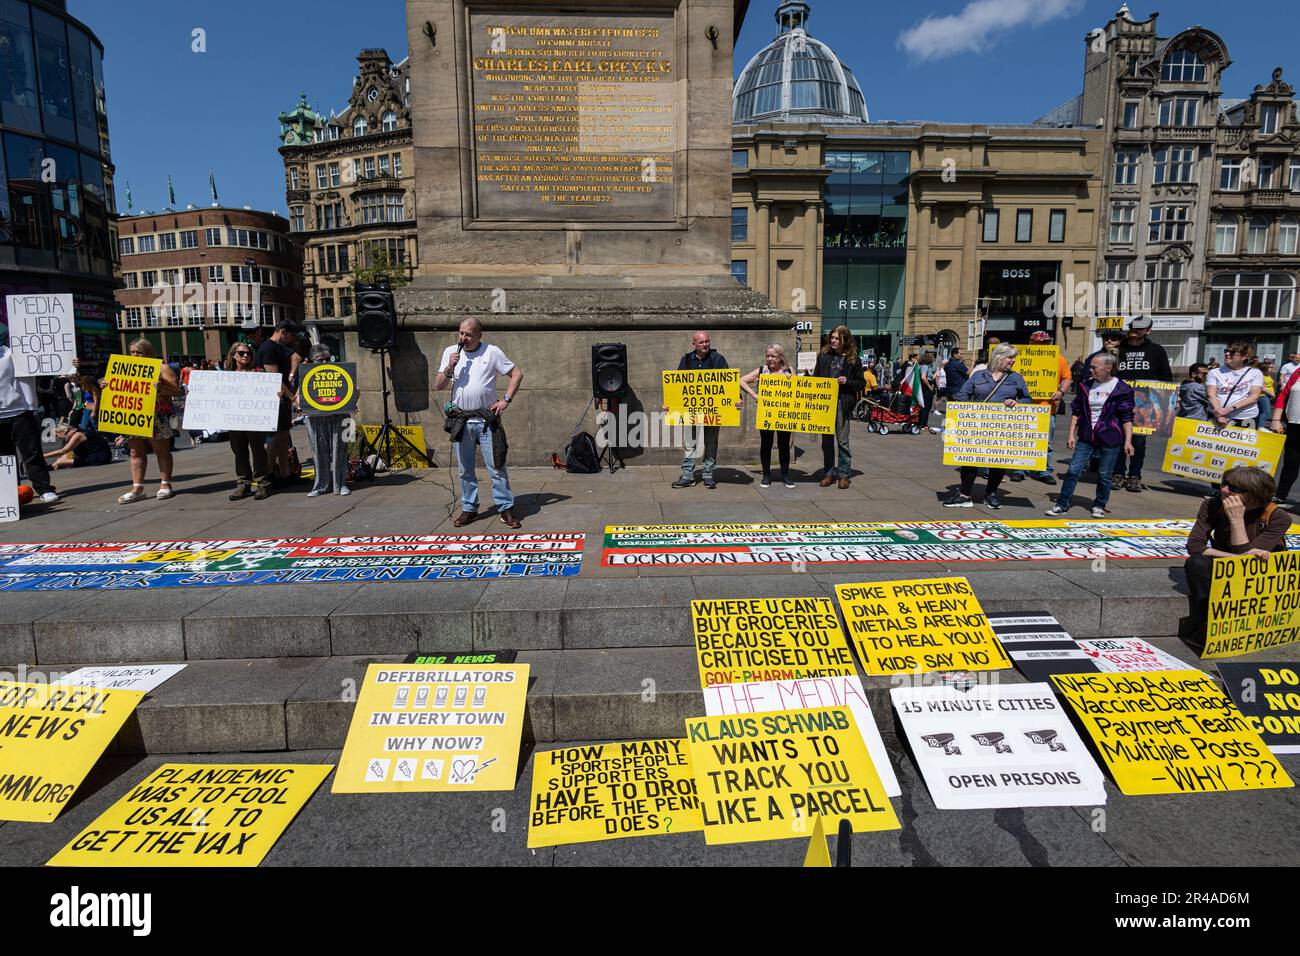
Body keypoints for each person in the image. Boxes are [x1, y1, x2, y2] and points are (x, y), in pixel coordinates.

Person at [1182, 467, 1291, 647]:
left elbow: (1247, 565)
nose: (1224, 490)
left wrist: (1236, 520)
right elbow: (1195, 546)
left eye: (1234, 489)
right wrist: (1232, 557)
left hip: (1259, 577)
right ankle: (1208, 622)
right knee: (1196, 563)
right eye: (1224, 484)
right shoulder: (1213, 505)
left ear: (1255, 495)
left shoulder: (1278, 517)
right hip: (1226, 566)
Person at [436, 318, 523, 527]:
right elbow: (439, 385)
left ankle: (505, 508)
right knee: (465, 469)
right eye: (461, 333)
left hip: (485, 419)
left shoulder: (492, 352)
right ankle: (469, 509)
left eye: (468, 334)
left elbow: (516, 374)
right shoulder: (451, 352)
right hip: (462, 420)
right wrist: (449, 368)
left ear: (479, 336)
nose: (463, 338)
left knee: (496, 466)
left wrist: (506, 400)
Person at [1045, 353, 1134, 518]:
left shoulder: (1122, 389)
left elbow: (1126, 417)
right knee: (1073, 470)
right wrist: (1071, 434)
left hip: (1110, 437)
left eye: (1094, 367)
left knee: (1104, 474)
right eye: (1090, 366)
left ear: (1108, 368)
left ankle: (1100, 504)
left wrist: (1128, 441)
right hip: (1086, 437)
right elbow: (1076, 411)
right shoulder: (1086, 386)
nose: (1090, 370)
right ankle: (1062, 503)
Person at [944, 343, 1032, 510]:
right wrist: (968, 409)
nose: (1013, 361)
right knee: (970, 460)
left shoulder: (1016, 378)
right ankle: (964, 495)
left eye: (1014, 357)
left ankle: (991, 494)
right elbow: (963, 394)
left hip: (1002, 427)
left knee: (998, 462)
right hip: (977, 426)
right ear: (999, 357)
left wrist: (1017, 402)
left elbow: (1028, 399)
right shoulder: (978, 376)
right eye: (1010, 357)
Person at [116, 339, 182, 504]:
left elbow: (177, 390)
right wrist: (107, 385)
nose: (135, 355)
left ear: (148, 352)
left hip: (158, 413)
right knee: (135, 452)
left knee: (161, 450)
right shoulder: (127, 369)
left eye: (139, 352)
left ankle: (165, 484)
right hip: (134, 413)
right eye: (132, 352)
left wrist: (161, 387)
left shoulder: (162, 368)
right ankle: (137, 488)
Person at [0, 331, 60, 504]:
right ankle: (12, 493)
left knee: (32, 453)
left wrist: (69, 363)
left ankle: (44, 489)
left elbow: (39, 359)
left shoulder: (12, 353)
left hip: (19, 410)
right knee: (5, 458)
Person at [1113, 317, 1172, 492]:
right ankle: (1117, 473)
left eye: (1139, 329)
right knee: (1117, 439)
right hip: (1118, 400)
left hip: (1145, 403)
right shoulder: (1118, 348)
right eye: (1132, 327)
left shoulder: (1156, 350)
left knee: (1138, 442)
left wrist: (1166, 401)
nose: (1134, 331)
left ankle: (1135, 475)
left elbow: (1165, 376)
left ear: (1148, 331)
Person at [669, 331, 730, 489]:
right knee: (690, 443)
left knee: (710, 443)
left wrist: (736, 400)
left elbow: (729, 384)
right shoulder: (686, 360)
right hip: (690, 410)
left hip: (713, 410)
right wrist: (670, 403)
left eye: (707, 342)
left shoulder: (718, 359)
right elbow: (676, 385)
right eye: (701, 342)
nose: (705, 345)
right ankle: (688, 475)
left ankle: (708, 474)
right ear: (694, 344)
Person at [1014, 330, 1071, 485]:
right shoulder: (1020, 358)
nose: (1041, 345)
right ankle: (1020, 469)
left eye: (1044, 342)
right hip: (1024, 406)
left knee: (1045, 441)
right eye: (1037, 342)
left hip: (1047, 407)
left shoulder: (1059, 359)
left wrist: (1061, 391)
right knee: (1022, 439)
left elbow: (1067, 378)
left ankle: (1044, 470)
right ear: (1031, 343)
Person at [221, 342, 274, 501]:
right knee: (239, 451)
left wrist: (275, 393)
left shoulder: (258, 372)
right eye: (242, 353)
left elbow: (268, 391)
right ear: (233, 355)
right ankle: (243, 483)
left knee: (258, 451)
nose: (245, 356)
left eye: (249, 353)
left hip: (254, 418)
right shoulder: (225, 375)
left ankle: (262, 483)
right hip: (234, 418)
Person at [814, 325, 865, 489]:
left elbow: (861, 383)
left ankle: (844, 475)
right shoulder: (823, 356)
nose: (833, 340)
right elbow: (815, 378)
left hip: (842, 403)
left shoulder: (853, 359)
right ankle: (829, 474)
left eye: (837, 338)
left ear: (845, 340)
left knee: (842, 442)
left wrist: (847, 381)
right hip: (825, 404)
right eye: (832, 337)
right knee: (826, 442)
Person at [740, 344, 795, 488]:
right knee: (766, 444)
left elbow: (798, 391)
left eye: (773, 356)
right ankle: (766, 475)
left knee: (784, 444)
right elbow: (741, 380)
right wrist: (754, 395)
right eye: (768, 356)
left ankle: (785, 474)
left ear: (780, 357)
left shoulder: (789, 371)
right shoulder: (762, 370)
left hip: (784, 414)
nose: (770, 359)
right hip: (766, 414)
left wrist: (791, 380)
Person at [255, 320, 301, 483]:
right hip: (273, 401)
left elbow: (296, 357)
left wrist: (291, 374)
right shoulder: (268, 348)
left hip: (281, 401)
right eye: (292, 335)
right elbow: (273, 379)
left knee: (282, 437)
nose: (293, 339)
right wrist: (293, 398)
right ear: (283, 332)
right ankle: (268, 474)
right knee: (274, 439)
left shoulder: (278, 347)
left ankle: (285, 473)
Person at [302, 343, 350, 498]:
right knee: (318, 452)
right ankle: (321, 485)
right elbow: (298, 398)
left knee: (340, 451)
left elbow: (354, 391)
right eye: (319, 360)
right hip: (315, 419)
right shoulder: (305, 375)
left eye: (327, 359)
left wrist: (353, 403)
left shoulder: (340, 372)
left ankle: (341, 484)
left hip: (340, 417)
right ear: (311, 361)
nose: (324, 363)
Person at [1206, 341, 1264, 429]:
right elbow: (1211, 395)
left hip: (1245, 417)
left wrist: (1228, 410)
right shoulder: (1214, 372)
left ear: (1244, 357)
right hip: (1217, 416)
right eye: (1226, 351)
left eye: (1232, 353)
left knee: (1243, 442)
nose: (1227, 354)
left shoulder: (1255, 373)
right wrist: (1219, 414)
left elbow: (1254, 396)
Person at [1269, 361, 1300, 504]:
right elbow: (1283, 396)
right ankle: (1280, 495)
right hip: (1294, 425)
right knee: (1290, 463)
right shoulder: (1298, 372)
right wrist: (1275, 419)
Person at [43, 423, 112, 470]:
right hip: (94, 453)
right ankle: (54, 465)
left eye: (57, 435)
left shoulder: (78, 435)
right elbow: (69, 452)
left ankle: (54, 466)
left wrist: (44, 455)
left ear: (61, 432)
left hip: (100, 456)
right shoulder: (74, 433)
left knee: (62, 462)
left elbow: (64, 450)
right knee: (61, 460)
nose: (58, 438)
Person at [1256, 358, 1277, 429]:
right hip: (1262, 396)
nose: (1272, 368)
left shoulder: (1269, 375)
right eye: (1270, 367)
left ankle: (1258, 426)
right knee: (1266, 411)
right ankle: (1261, 426)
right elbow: (1262, 388)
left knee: (1261, 411)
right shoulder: (1261, 376)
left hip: (1266, 396)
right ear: (1265, 369)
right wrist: (1272, 394)